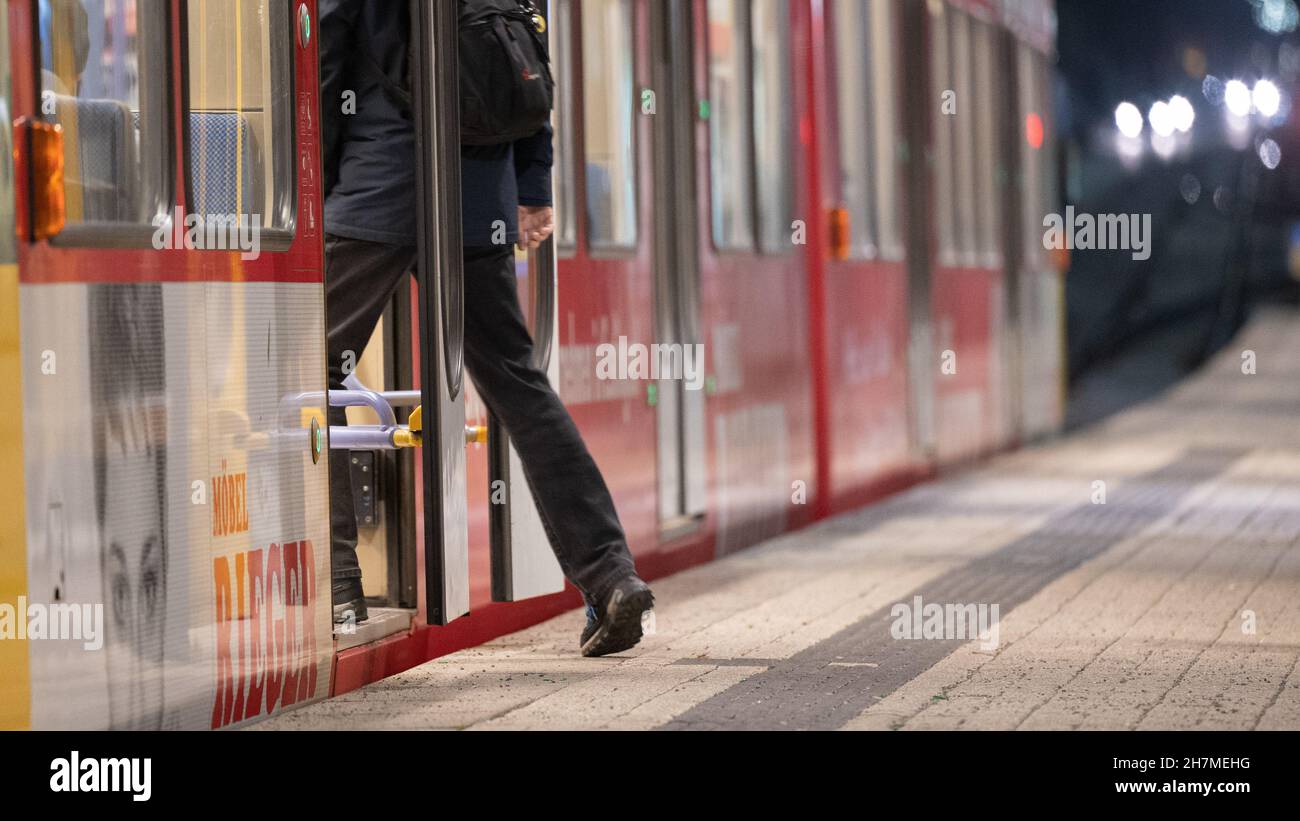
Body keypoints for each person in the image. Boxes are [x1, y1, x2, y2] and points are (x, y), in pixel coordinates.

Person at [318, 1, 654, 657]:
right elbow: (529, 61)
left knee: (315, 373)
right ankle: (611, 576)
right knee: (519, 387)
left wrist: (322, 182)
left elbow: (329, 55)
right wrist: (533, 185)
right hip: (477, 203)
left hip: (377, 193)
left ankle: (341, 586)